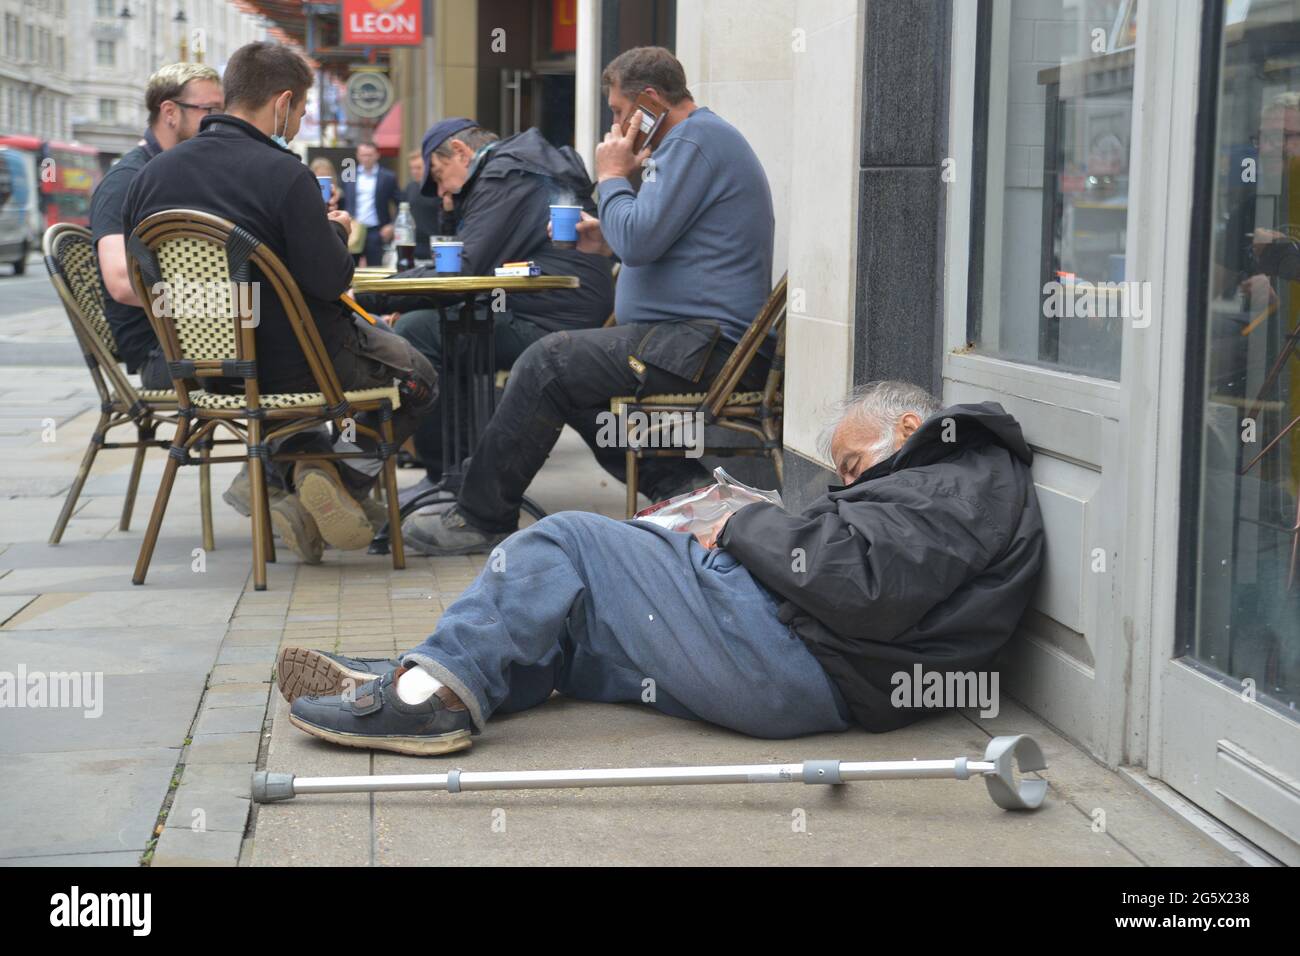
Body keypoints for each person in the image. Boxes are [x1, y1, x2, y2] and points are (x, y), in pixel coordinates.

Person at [275, 382, 1046, 753]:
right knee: (579, 616)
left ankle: (425, 692)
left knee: (569, 543)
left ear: (908, 426)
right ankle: (436, 678)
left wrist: (740, 521)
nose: (845, 480)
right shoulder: (957, 480)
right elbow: (867, 569)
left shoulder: (954, 477)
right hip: (811, 668)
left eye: (850, 463)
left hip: (801, 663)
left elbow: (861, 586)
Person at [398, 47, 775, 556]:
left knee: (549, 359)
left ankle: (479, 516)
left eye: (620, 111)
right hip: (683, 341)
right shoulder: (692, 143)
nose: (617, 125)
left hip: (702, 345)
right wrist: (609, 240)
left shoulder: (694, 141)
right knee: (571, 382)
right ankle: (685, 490)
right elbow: (654, 240)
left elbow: (642, 239)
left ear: (649, 100)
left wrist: (613, 175)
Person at [121, 41, 437, 563]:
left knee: (299, 405)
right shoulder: (286, 174)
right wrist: (335, 232)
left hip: (200, 373)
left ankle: (289, 481)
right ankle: (332, 477)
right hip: (300, 366)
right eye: (304, 106)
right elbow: (330, 281)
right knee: (418, 379)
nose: (304, 116)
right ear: (283, 102)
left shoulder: (152, 176)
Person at [356, 119, 615, 488]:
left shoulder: (504, 177)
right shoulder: (521, 169)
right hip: (555, 311)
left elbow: (464, 269)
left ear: (461, 152)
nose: (442, 189)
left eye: (440, 175)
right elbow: (473, 263)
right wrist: (451, 209)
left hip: (550, 318)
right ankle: (450, 470)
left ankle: (444, 476)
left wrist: (370, 295)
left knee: (418, 331)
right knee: (438, 326)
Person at [90, 62, 223, 389]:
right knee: (290, 354)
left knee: (301, 341)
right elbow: (121, 281)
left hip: (204, 336)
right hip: (161, 353)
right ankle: (299, 440)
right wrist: (218, 300)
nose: (218, 122)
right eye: (209, 110)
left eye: (222, 110)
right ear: (170, 112)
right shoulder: (125, 181)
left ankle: (295, 439)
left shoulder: (184, 173)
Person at [341, 141, 399, 267]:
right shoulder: (349, 176)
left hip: (376, 231)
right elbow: (342, 202)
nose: (366, 158)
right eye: (363, 155)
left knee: (376, 269)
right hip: (354, 230)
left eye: (369, 155)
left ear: (377, 155)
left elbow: (400, 204)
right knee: (349, 269)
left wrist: (392, 225)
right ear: (357, 155)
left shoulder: (388, 177)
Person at [401, 147, 444, 260]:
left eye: (418, 168)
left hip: (434, 245)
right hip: (413, 246)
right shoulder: (410, 187)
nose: (414, 171)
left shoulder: (439, 188)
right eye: (412, 168)